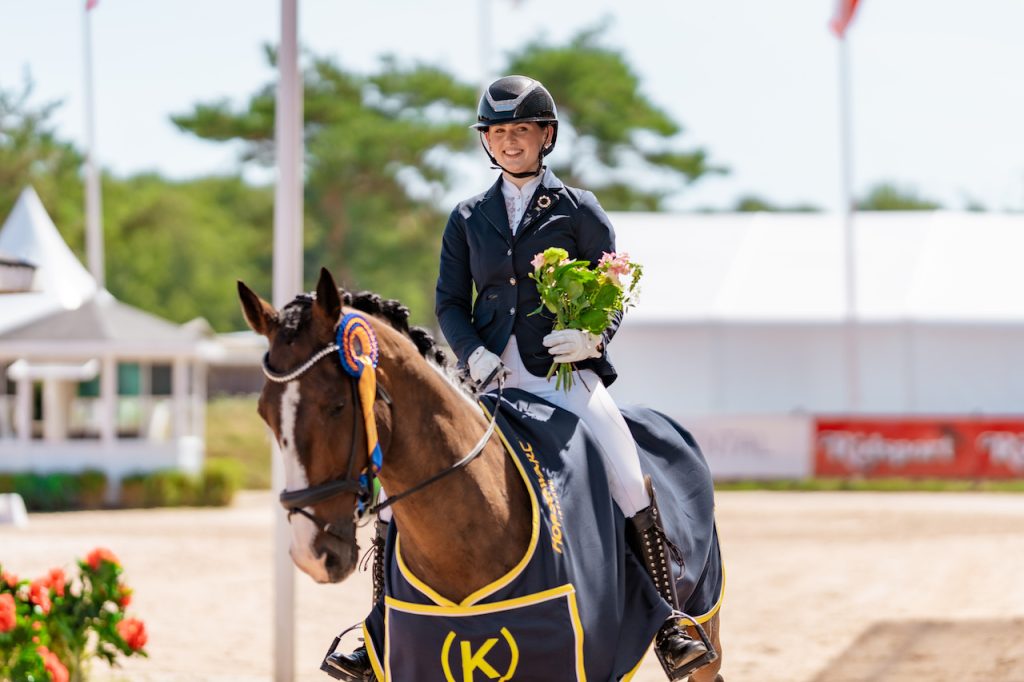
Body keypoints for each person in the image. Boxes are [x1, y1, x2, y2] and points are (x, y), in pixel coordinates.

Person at [326, 75, 709, 682]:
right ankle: (377, 629)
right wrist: (472, 351)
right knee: (402, 496)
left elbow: (611, 286)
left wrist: (593, 337)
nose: (509, 142)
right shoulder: (468, 216)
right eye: (498, 133)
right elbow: (450, 300)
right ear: (487, 142)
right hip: (487, 378)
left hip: (563, 374)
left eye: (521, 131)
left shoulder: (579, 209)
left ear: (545, 137)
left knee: (626, 469)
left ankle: (667, 619)